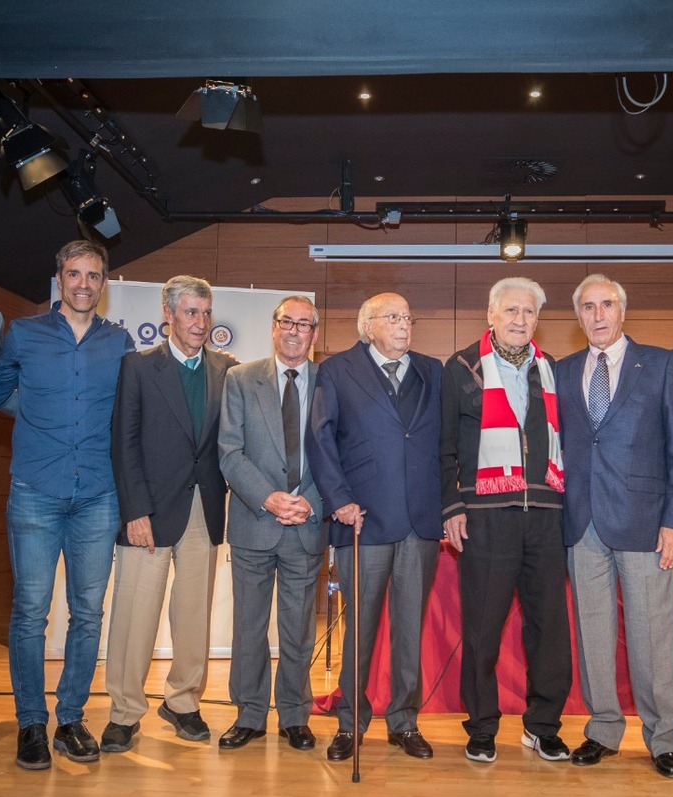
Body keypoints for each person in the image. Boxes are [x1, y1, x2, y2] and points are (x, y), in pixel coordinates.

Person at [0, 240, 135, 770]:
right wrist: (39, 418)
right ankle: (31, 722)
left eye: (93, 275)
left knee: (88, 613)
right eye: (73, 274)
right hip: (34, 490)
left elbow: (131, 415)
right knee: (30, 612)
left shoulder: (119, 344)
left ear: (104, 283)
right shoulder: (23, 334)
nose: (83, 284)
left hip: (98, 495)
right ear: (59, 278)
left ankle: (70, 718)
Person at [556, 274, 673, 778]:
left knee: (652, 632)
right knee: (592, 632)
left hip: (644, 522)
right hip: (582, 523)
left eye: (606, 305)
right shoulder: (563, 370)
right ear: (578, 316)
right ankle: (603, 729)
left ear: (622, 310)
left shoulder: (661, 365)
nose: (597, 315)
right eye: (588, 307)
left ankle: (662, 738)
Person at [306, 292, 442, 762]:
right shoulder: (337, 370)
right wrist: (339, 500)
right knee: (359, 629)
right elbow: (320, 438)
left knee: (409, 630)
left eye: (408, 317)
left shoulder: (432, 370)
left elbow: (443, 443)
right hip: (361, 518)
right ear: (368, 326)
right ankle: (351, 723)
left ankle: (404, 721)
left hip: (420, 520)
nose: (404, 325)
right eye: (393, 318)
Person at [100, 276, 234, 753]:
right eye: (190, 312)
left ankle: (182, 701)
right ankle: (123, 711)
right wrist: (135, 510)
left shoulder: (227, 370)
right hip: (149, 513)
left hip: (205, 508)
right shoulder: (137, 367)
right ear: (169, 314)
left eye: (205, 312)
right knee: (135, 614)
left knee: (193, 613)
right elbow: (124, 443)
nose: (200, 322)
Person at [441, 277, 572, 764]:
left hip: (545, 515)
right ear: (490, 315)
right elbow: (444, 448)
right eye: (511, 311)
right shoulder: (460, 368)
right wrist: (451, 507)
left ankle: (542, 727)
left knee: (549, 629)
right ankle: (481, 726)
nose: (520, 320)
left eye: (529, 313)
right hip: (485, 517)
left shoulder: (552, 369)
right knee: (482, 627)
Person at [217, 296, 327, 751]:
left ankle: (295, 715)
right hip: (254, 520)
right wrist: (269, 498)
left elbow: (339, 453)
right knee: (248, 626)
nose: (295, 331)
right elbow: (230, 450)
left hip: (306, 523)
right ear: (273, 326)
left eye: (304, 324)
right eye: (287, 321)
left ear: (315, 333)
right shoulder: (241, 379)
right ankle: (249, 713)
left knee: (299, 627)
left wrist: (311, 502)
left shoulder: (330, 382)